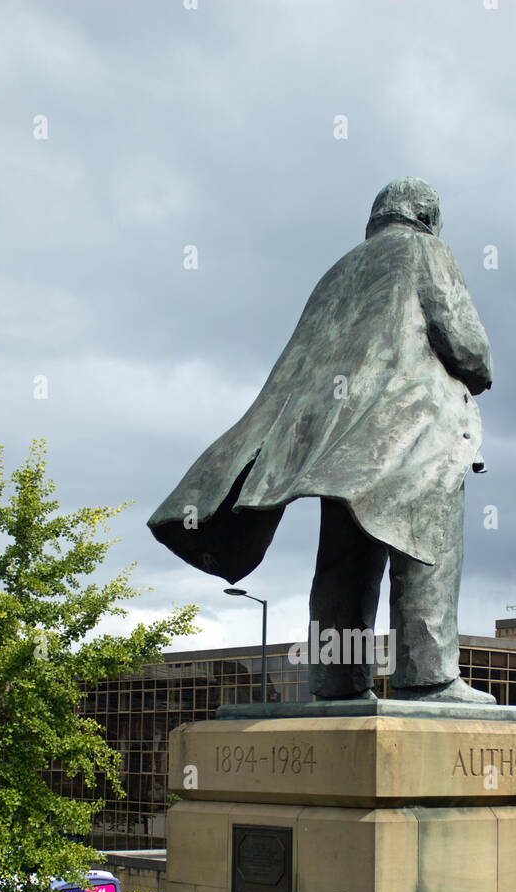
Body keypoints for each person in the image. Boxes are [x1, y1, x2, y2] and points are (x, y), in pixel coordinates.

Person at [148, 176, 494, 703]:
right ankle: (429, 679)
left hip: (344, 446)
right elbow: (468, 348)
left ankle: (337, 680)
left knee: (344, 560)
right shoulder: (426, 250)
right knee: (426, 546)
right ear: (426, 218)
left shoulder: (336, 272)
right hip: (414, 428)